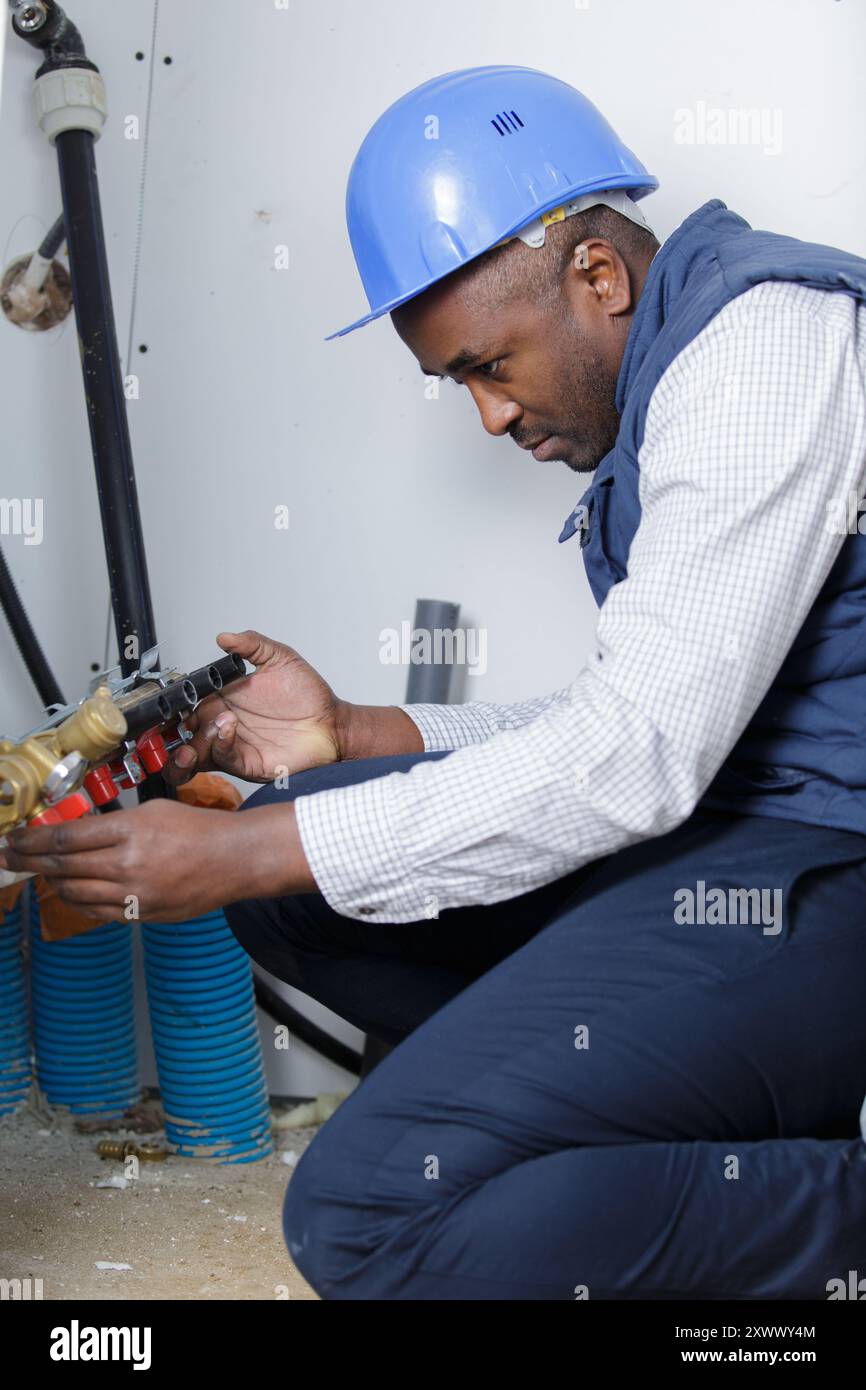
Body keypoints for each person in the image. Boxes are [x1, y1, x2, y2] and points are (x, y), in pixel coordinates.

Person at [3, 66, 866, 1300]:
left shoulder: (761, 346)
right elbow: (634, 721)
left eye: (488, 364)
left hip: (827, 877)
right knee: (297, 884)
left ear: (596, 277)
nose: (484, 417)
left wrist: (253, 853)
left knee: (366, 1218)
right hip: (744, 840)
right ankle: (565, 1131)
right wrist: (352, 734)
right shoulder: (688, 367)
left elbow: (632, 758)